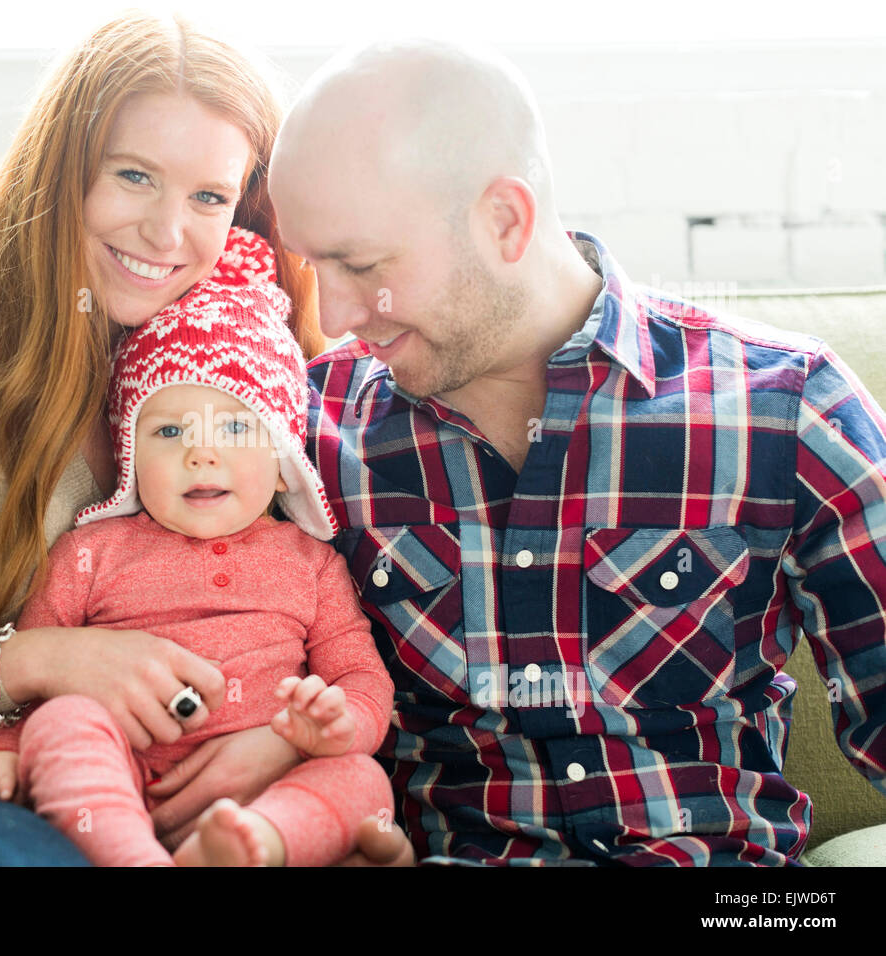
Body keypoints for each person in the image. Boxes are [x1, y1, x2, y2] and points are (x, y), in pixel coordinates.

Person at [0, 10, 410, 866]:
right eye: (134, 176)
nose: (167, 233)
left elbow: (338, 655)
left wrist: (283, 745)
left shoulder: (268, 393)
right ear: (61, 176)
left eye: (209, 196)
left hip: (211, 795)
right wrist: (35, 663)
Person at [269, 36, 886, 865]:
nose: (336, 314)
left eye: (360, 264)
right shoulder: (310, 431)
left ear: (506, 220)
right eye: (316, 268)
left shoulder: (786, 405)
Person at [0, 228, 396, 866]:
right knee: (62, 724)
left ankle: (254, 847)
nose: (200, 451)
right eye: (170, 429)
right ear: (129, 450)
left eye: (236, 426)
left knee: (363, 782)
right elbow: (28, 670)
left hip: (269, 780)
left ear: (283, 454)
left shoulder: (311, 564)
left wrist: (339, 725)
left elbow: (359, 676)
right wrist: (0, 754)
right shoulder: (89, 553)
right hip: (122, 777)